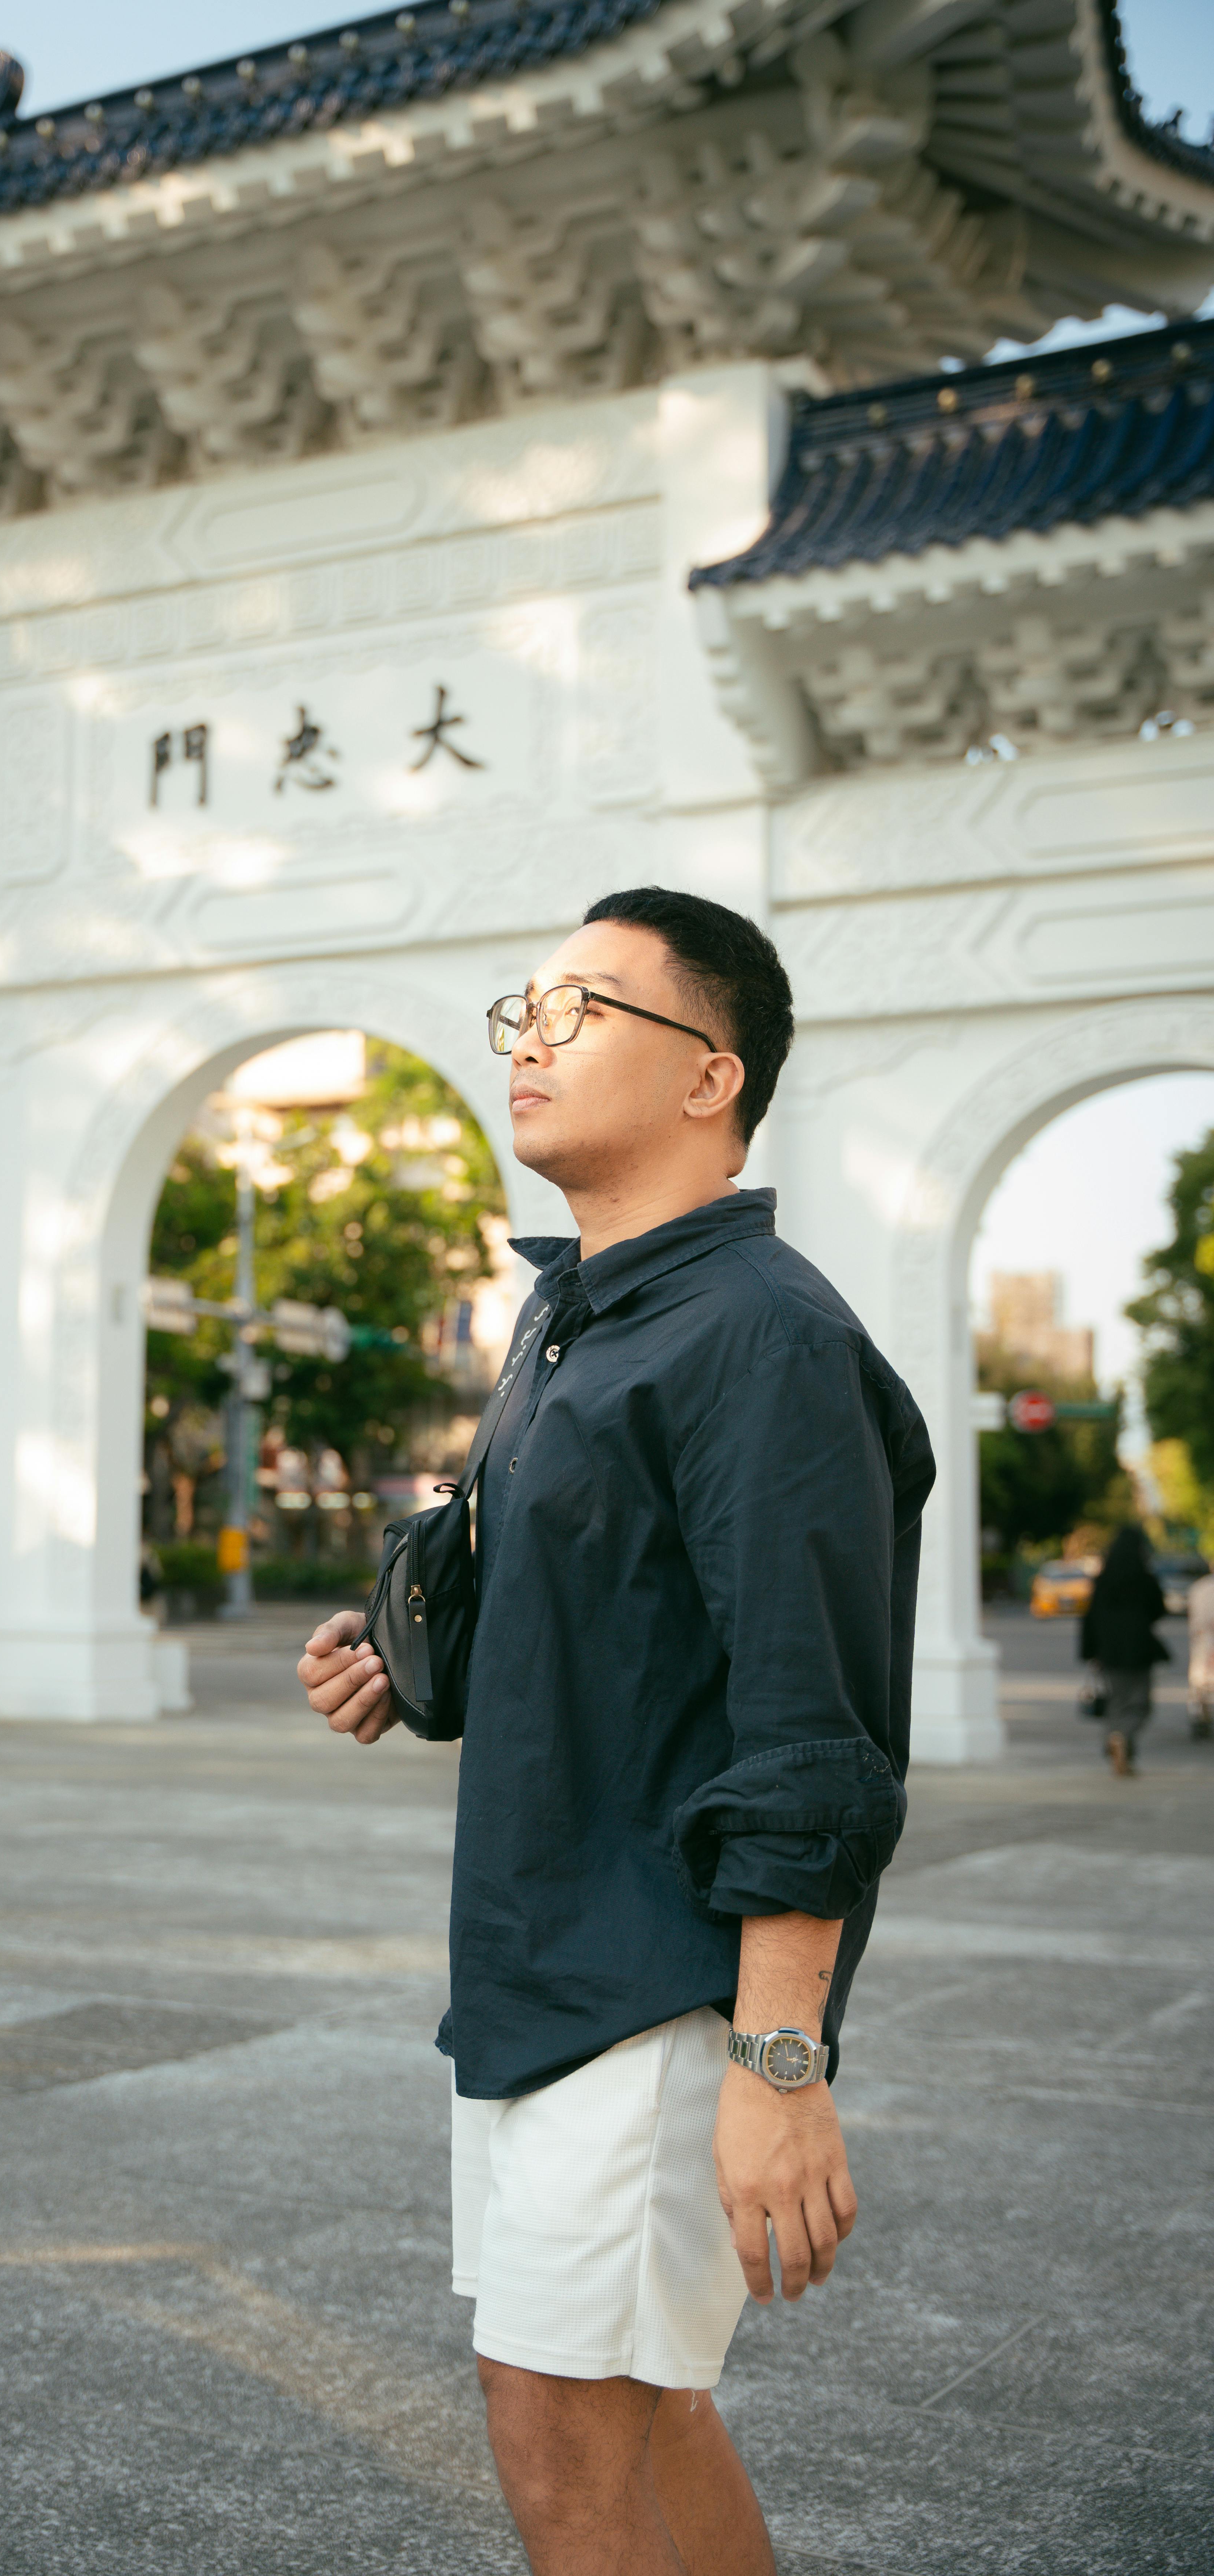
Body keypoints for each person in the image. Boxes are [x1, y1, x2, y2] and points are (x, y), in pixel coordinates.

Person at [299, 888, 933, 2576]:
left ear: (707, 1075)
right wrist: (400, 1650)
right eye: (522, 1009)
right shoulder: (574, 1317)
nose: (530, 1040)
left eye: (583, 1008)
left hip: (656, 1979)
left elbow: (812, 1734)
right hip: (533, 1963)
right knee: (642, 2409)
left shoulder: (764, 1338)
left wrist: (775, 2060)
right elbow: (604, 1613)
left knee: (558, 2427)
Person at [1079, 1523, 1168, 1776]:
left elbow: (1090, 1619)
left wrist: (1090, 1651)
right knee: (1140, 1702)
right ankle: (1125, 1738)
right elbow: (1159, 1611)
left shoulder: (1103, 1581)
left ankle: (1115, 1739)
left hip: (1109, 1652)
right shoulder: (1145, 1579)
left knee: (1116, 1701)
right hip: (1140, 1649)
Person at [1187, 1564, 1214, 1741]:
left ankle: (1200, 1718)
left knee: (1200, 1684)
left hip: (1202, 1640)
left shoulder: (1200, 1587)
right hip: (1206, 1639)